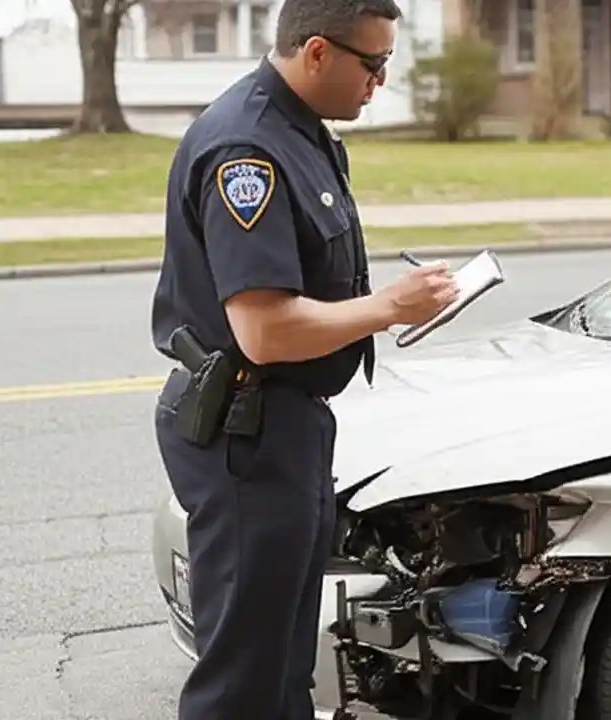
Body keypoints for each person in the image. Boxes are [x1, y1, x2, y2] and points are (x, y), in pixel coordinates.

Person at [149, 1, 458, 718]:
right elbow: (264, 330)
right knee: (244, 678)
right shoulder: (247, 149)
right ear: (318, 51)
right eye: (372, 64)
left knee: (287, 665)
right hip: (245, 431)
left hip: (288, 424)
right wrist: (389, 307)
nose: (380, 82)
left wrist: (391, 306)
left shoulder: (304, 133)